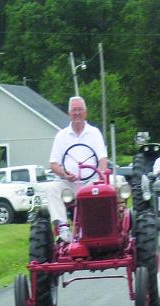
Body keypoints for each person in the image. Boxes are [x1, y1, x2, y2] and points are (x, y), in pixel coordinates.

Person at [48, 96, 108, 243]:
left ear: (85, 112)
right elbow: (53, 164)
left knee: (105, 189)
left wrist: (101, 175)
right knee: (52, 188)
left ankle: (89, 227)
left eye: (80, 109)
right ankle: (63, 227)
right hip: (69, 184)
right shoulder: (61, 136)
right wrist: (64, 174)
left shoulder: (94, 133)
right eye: (74, 110)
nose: (77, 113)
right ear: (69, 113)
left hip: (90, 182)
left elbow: (103, 159)